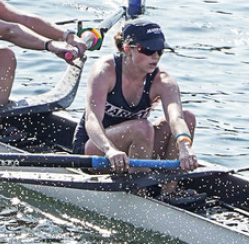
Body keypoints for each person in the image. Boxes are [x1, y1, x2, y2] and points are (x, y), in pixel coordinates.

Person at [70, 20, 198, 174]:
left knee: (188, 117)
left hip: (135, 148)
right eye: (148, 50)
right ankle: (139, 192)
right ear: (127, 49)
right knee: (142, 128)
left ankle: (169, 191)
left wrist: (184, 146)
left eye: (160, 51)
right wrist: (110, 149)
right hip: (95, 148)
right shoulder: (105, 71)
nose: (156, 56)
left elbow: (176, 118)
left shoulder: (163, 81)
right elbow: (92, 119)